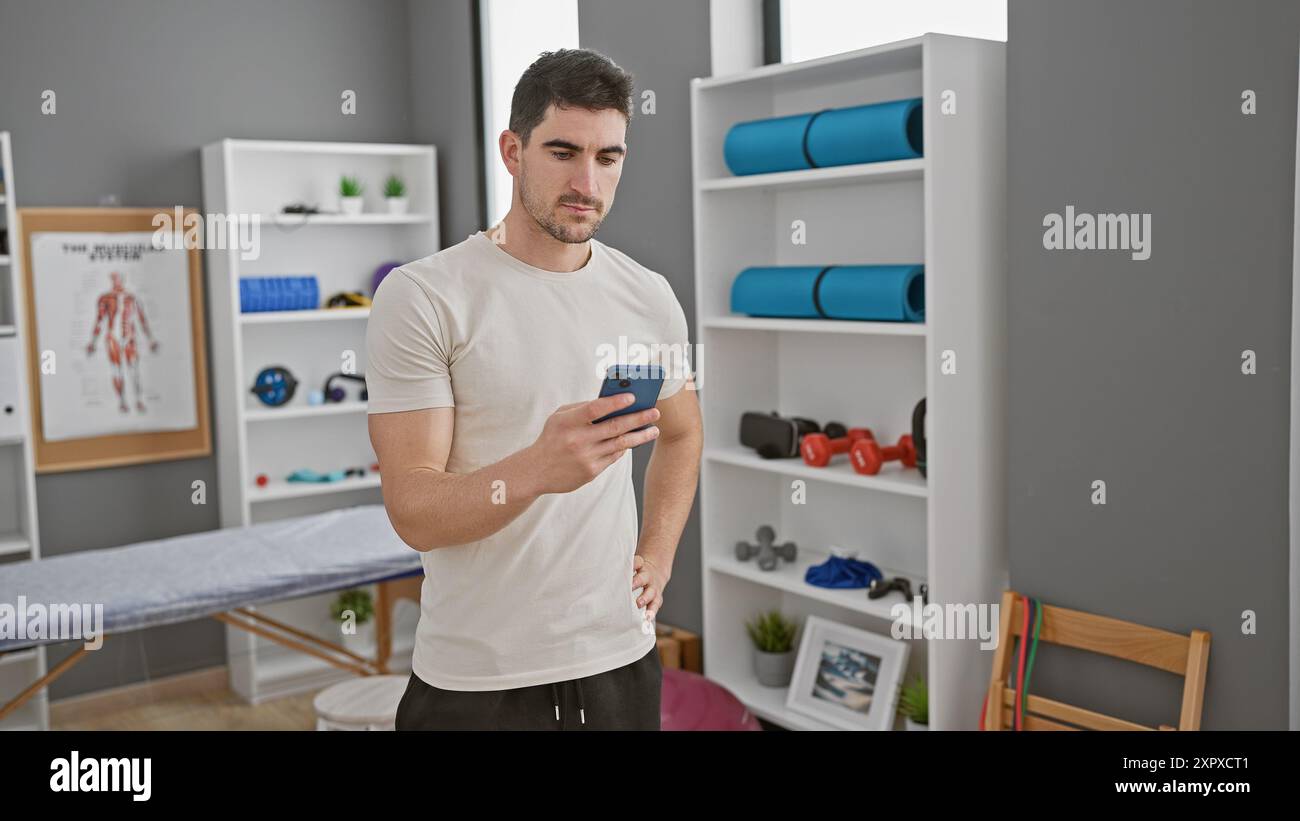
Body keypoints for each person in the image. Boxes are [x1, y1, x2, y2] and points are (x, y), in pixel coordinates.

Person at [366, 48, 702, 730]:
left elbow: (684, 429)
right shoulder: (424, 296)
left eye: (609, 157)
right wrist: (537, 470)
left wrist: (658, 556)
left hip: (618, 661)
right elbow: (414, 508)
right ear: (513, 150)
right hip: (476, 680)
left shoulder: (648, 296)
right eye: (563, 151)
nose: (588, 180)